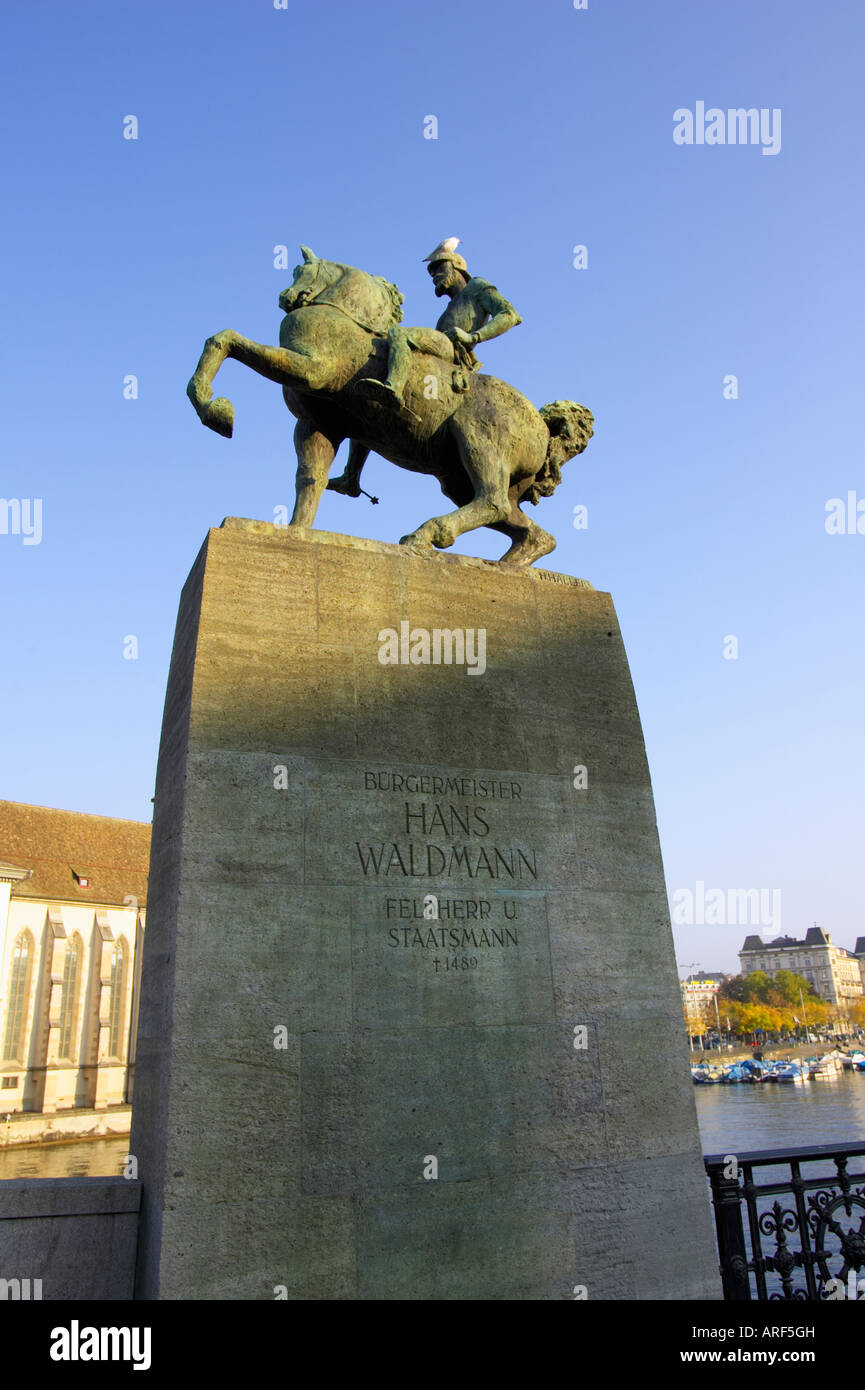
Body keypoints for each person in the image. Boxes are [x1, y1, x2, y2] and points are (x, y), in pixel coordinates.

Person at [356, 238, 521, 419]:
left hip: (453, 349)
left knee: (398, 332)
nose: (434, 275)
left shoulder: (476, 286)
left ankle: (393, 387)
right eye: (432, 272)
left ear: (456, 267)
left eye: (439, 268)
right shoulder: (447, 311)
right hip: (443, 350)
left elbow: (510, 314)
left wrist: (472, 337)